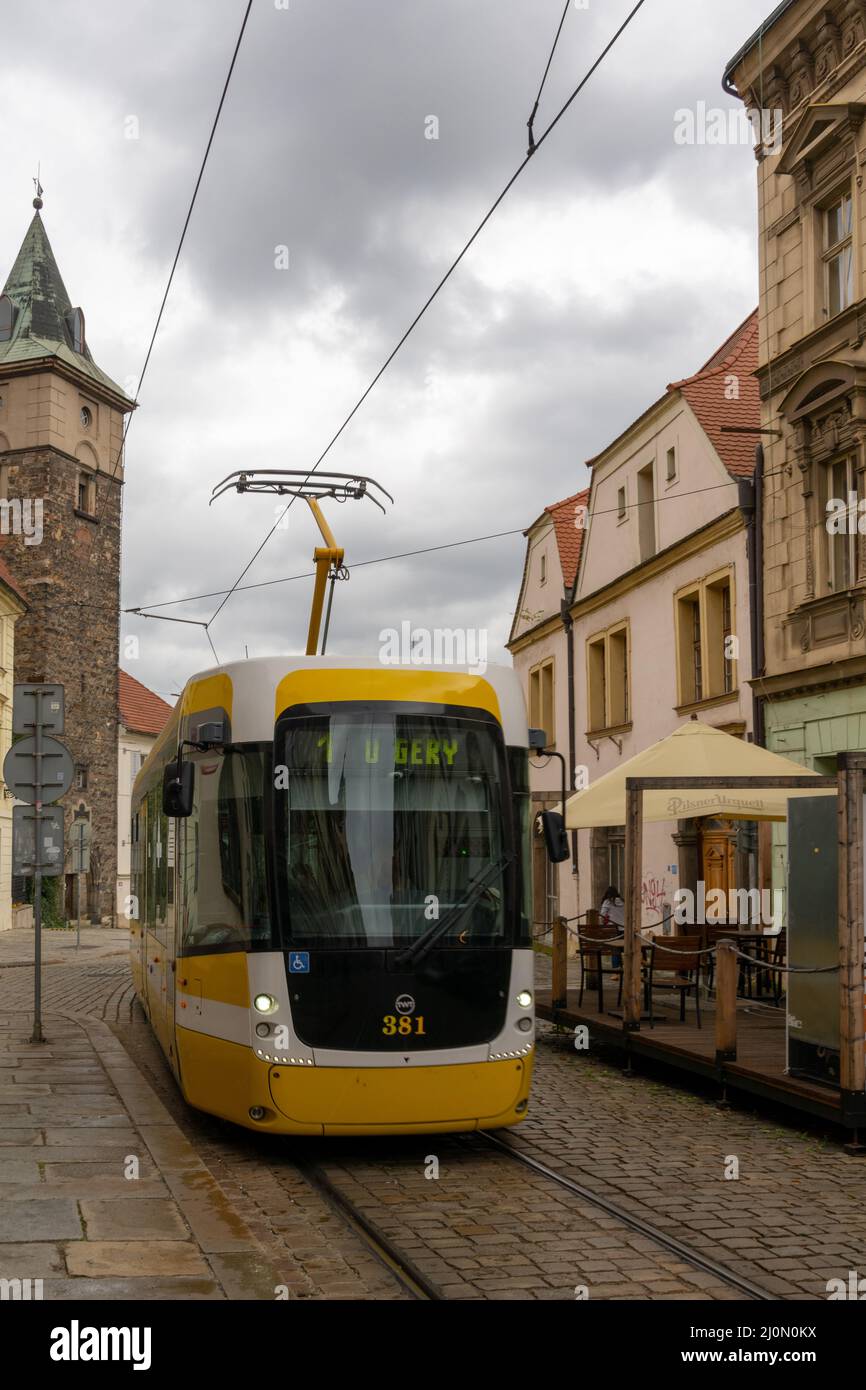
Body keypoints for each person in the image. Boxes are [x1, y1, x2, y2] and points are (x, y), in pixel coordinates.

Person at [599, 885, 624, 967]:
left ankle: (616, 970)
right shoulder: (623, 901)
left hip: (614, 929)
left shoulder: (608, 902)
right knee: (623, 949)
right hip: (625, 929)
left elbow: (602, 915)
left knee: (615, 949)